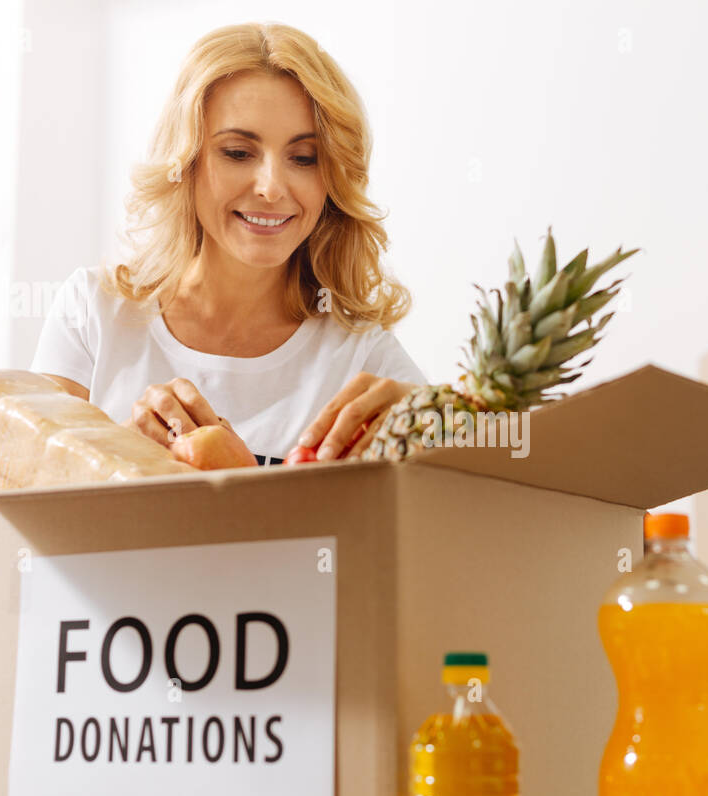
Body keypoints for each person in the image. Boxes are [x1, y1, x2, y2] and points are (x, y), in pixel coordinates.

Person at [29, 22, 425, 465]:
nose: (272, 187)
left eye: (304, 158)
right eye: (238, 152)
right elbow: (21, 499)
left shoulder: (362, 359)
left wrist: (437, 430)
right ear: (187, 162)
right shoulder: (93, 315)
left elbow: (474, 497)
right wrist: (122, 456)